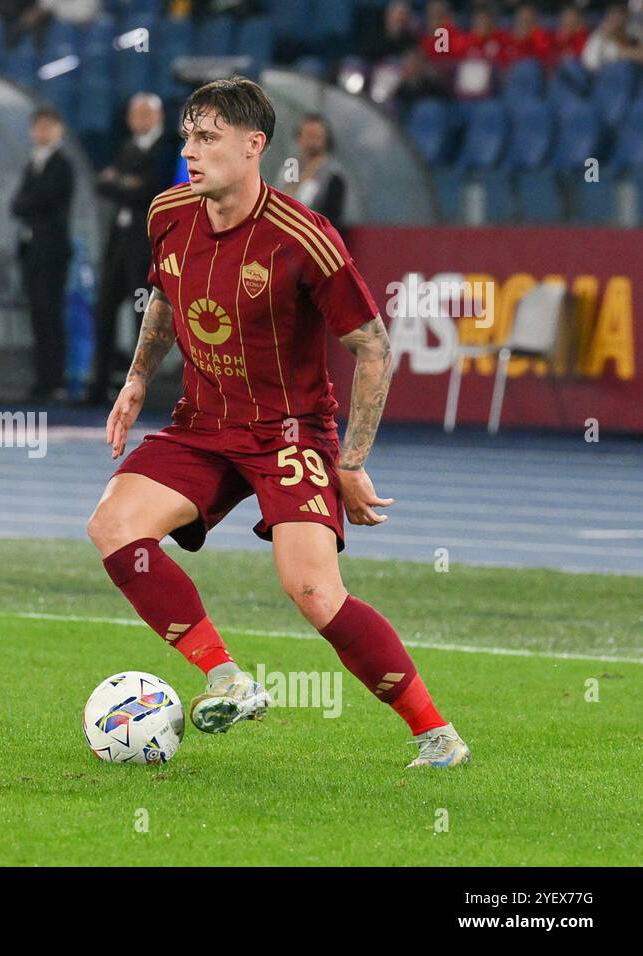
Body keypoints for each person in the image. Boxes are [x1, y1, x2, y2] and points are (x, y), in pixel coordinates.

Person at [87, 76, 470, 770]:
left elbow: (373, 347)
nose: (191, 151)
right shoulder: (168, 212)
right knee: (113, 524)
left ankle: (436, 734)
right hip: (202, 423)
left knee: (314, 590)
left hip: (289, 432)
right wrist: (139, 375)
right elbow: (166, 297)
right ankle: (227, 678)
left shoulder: (305, 237)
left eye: (207, 138)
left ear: (253, 145)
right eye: (187, 137)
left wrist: (348, 463)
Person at [87, 92, 177, 406]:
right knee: (105, 310)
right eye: (135, 114)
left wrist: (123, 183)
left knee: (146, 313)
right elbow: (106, 184)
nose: (139, 120)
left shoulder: (167, 149)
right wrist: (127, 184)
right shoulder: (126, 147)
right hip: (119, 244)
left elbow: (151, 188)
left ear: (158, 116)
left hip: (146, 243)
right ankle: (98, 386)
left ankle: (141, 386)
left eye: (145, 114)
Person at [11, 106, 74, 401]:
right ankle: (41, 379)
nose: (42, 132)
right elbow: (18, 205)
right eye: (38, 126)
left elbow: (39, 199)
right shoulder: (32, 163)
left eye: (48, 126)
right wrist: (29, 202)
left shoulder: (62, 164)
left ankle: (54, 380)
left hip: (52, 251)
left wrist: (29, 202)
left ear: (59, 129)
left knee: (51, 315)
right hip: (32, 250)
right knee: (38, 315)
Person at [276, 113, 347, 232]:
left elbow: (332, 221)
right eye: (308, 135)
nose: (312, 141)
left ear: (326, 139)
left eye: (317, 136)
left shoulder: (333, 176)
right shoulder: (289, 167)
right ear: (299, 138)